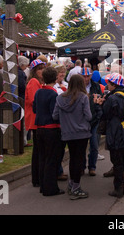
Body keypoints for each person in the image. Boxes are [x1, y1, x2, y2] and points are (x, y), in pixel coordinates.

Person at [53, 74, 92, 200]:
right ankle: (76, 187)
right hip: (81, 132)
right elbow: (89, 116)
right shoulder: (83, 98)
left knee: (72, 159)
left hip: (67, 132)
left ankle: (72, 184)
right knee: (78, 160)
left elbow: (55, 116)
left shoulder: (60, 98)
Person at [98, 73, 124, 198]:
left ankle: (118, 189)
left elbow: (105, 114)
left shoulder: (113, 98)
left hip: (116, 133)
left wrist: (99, 104)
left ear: (114, 84)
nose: (107, 84)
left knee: (118, 162)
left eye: (108, 83)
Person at [33, 66, 64, 196]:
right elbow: (54, 114)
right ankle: (50, 188)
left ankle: (43, 185)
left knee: (42, 158)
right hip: (51, 129)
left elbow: (35, 109)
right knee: (52, 159)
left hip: (39, 128)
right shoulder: (53, 94)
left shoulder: (39, 92)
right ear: (55, 77)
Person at [25, 59, 46, 187]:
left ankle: (38, 177)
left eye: (43, 68)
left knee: (39, 149)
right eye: (39, 69)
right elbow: (34, 100)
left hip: (37, 118)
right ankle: (37, 178)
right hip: (35, 119)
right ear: (34, 71)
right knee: (38, 150)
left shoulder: (38, 82)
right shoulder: (33, 82)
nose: (42, 71)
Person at [81, 66, 103, 176]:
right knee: (81, 146)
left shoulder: (96, 86)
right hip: (82, 120)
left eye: (87, 76)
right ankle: (81, 166)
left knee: (94, 144)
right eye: (84, 76)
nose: (86, 78)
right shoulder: (78, 87)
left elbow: (100, 100)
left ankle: (92, 166)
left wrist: (99, 114)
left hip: (94, 119)